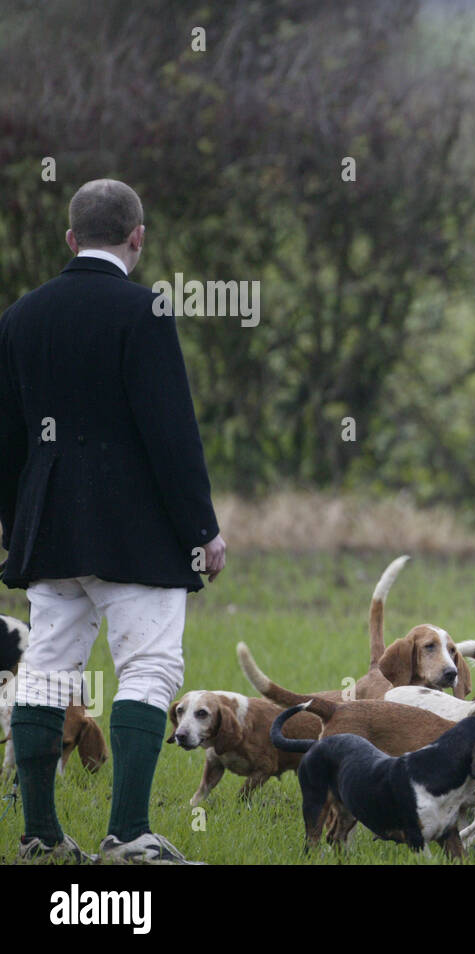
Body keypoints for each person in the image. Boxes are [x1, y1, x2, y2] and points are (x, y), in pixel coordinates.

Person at [0, 179, 226, 862]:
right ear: (138, 238)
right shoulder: (145, 309)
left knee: (43, 672)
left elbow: (7, 439)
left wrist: (18, 527)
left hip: (48, 527)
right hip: (133, 530)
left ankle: (39, 834)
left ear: (70, 239)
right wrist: (202, 530)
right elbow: (171, 433)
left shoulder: (21, 316)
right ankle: (128, 834)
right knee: (149, 668)